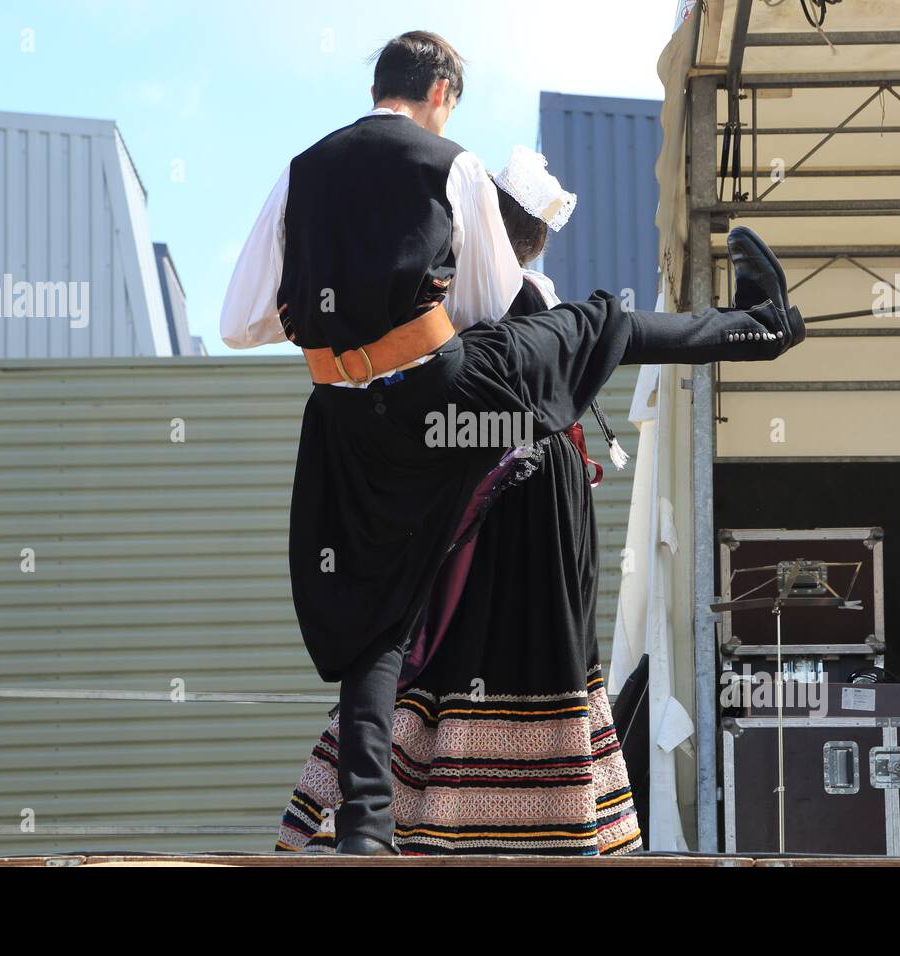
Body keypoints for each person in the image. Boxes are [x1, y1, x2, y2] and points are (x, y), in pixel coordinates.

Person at [220, 30, 804, 855]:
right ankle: (761, 327)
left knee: (375, 620)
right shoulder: (449, 163)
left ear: (378, 85)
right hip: (440, 389)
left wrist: (340, 323)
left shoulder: (300, 171)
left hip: (343, 417)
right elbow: (495, 307)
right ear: (442, 93)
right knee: (597, 322)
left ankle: (365, 830)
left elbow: (240, 321)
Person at [275, 147, 642, 856]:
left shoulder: (454, 310)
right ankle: (543, 823)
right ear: (537, 239)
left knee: (434, 640)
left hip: (475, 492)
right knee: (534, 645)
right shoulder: (545, 310)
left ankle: (413, 816)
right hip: (545, 500)